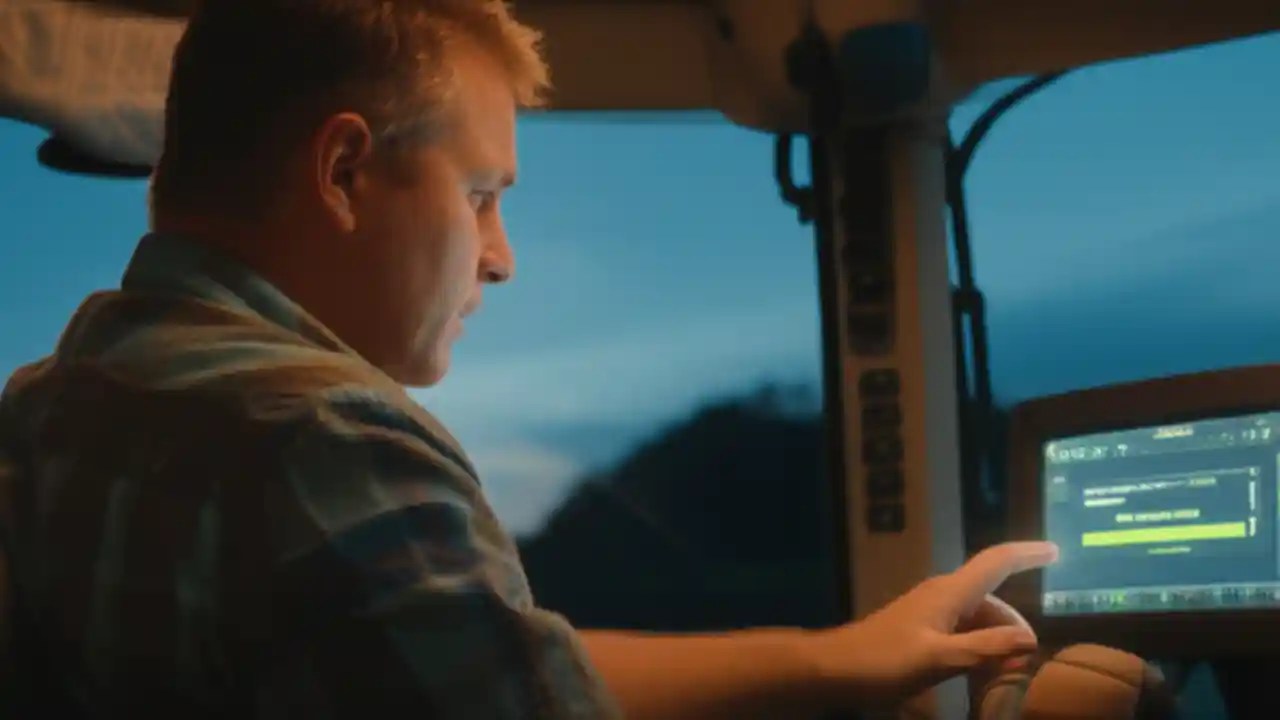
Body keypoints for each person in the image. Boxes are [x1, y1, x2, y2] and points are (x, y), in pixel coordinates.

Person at [0, 0, 1058, 717]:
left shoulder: (55, 404)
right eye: (480, 197)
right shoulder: (323, 437)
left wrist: (835, 659)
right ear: (343, 172)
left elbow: (490, 664)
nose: (499, 259)